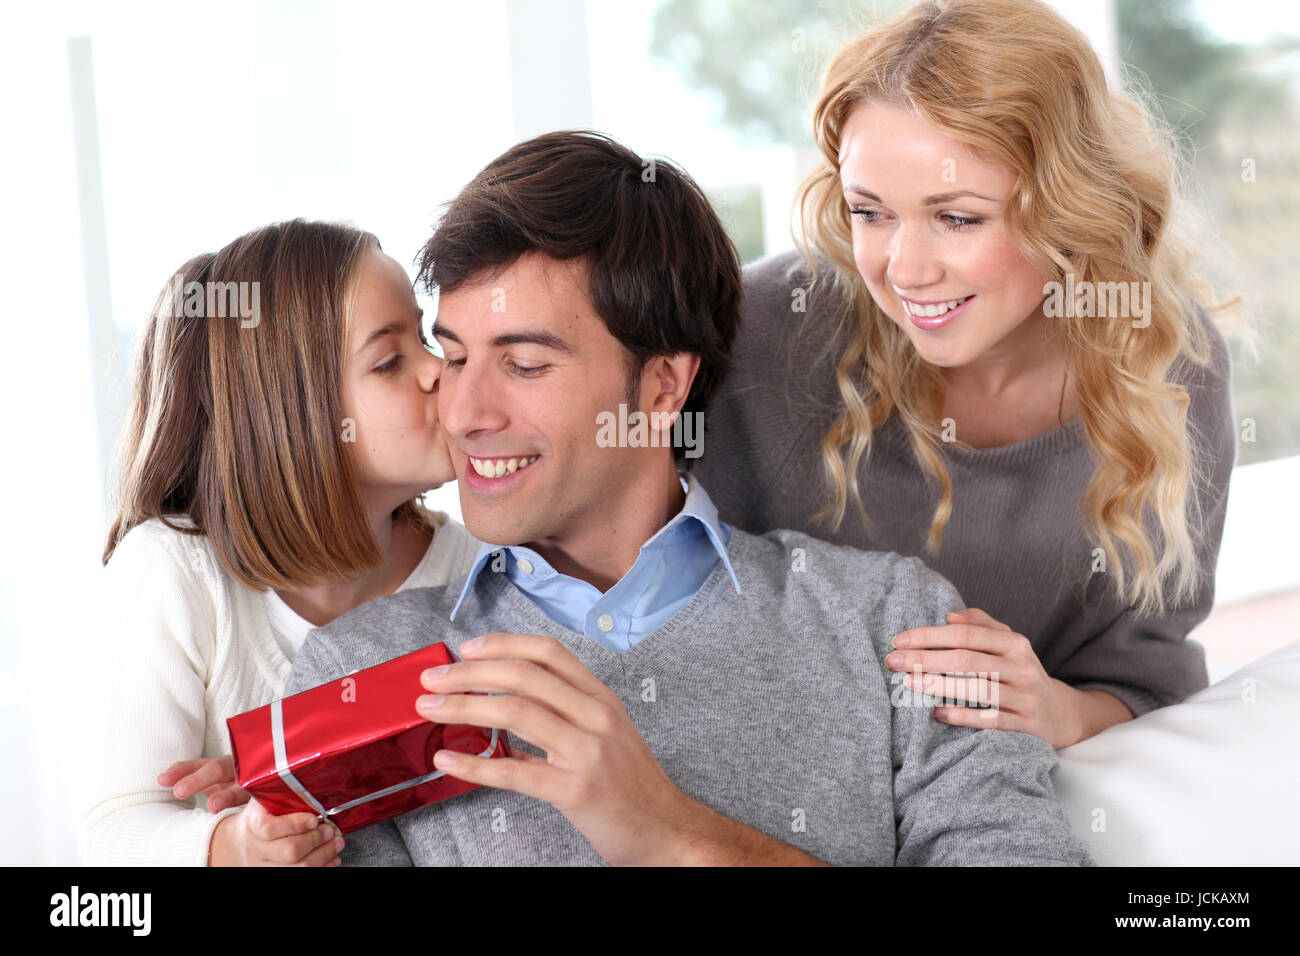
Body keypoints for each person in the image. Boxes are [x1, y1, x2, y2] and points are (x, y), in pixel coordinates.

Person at [285, 130, 1092, 866]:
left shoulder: (897, 626)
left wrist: (668, 833)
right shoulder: (361, 675)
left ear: (663, 384)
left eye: (525, 365)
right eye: (454, 357)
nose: (464, 414)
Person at [692, 0, 1240, 749]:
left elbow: (1147, 682)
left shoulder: (1168, 368)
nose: (904, 270)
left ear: (1068, 208)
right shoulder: (760, 331)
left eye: (956, 218)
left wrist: (1058, 712)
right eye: (869, 212)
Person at [77, 220, 480, 866]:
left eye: (426, 337)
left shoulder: (473, 569)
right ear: (296, 413)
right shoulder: (175, 572)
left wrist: (293, 756)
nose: (441, 370)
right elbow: (113, 833)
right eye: (388, 360)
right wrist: (232, 845)